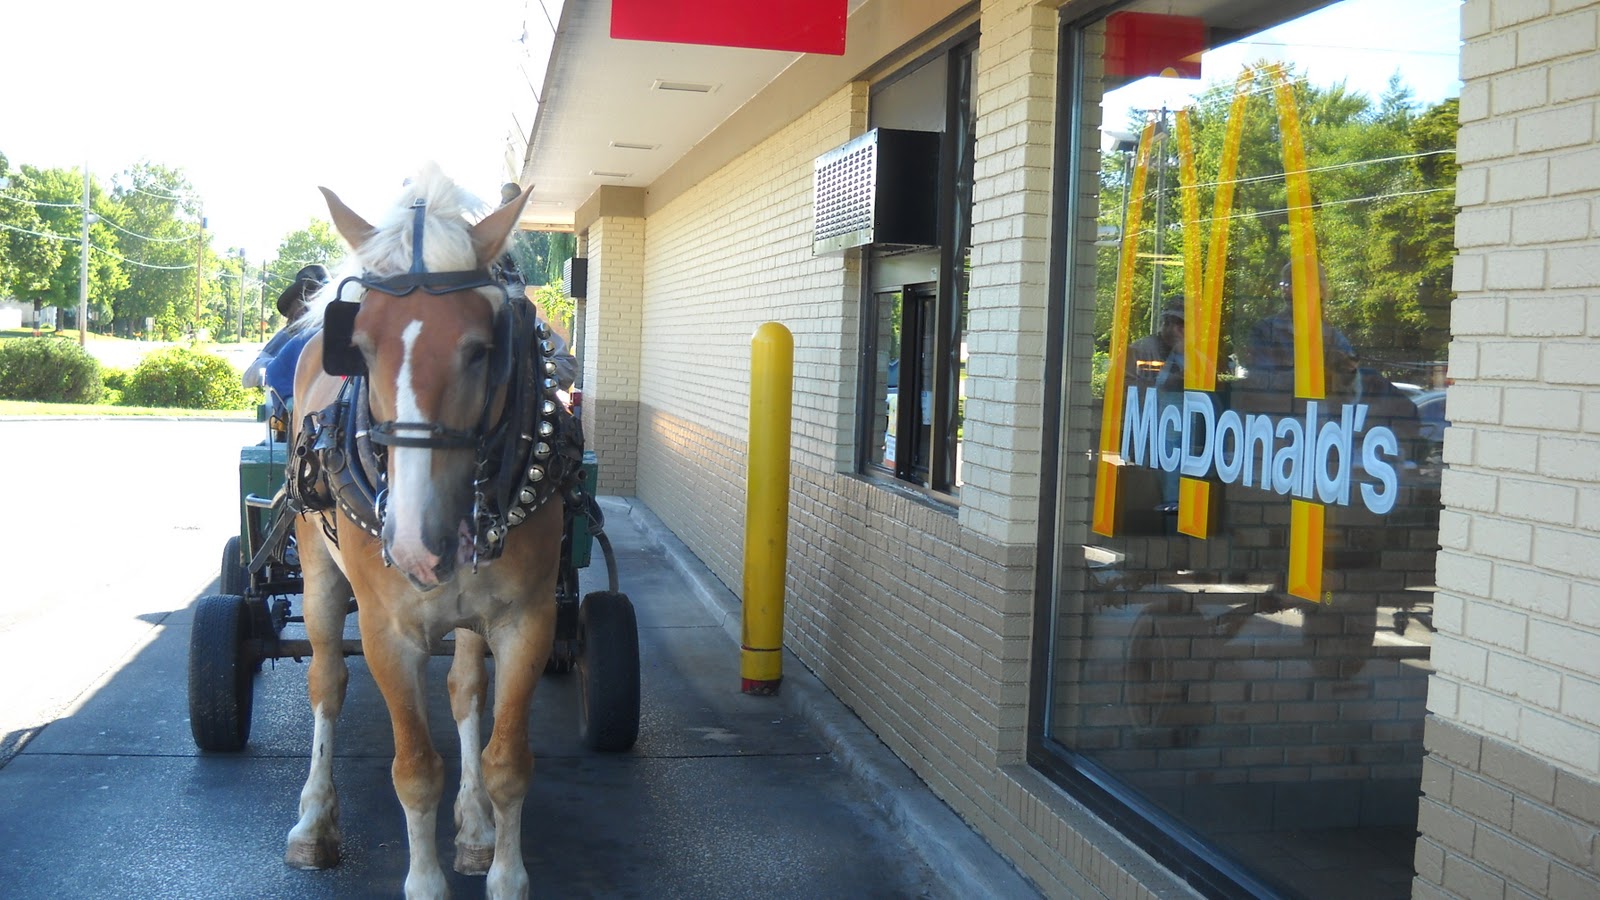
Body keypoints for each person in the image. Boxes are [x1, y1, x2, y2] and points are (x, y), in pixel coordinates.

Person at [244, 264, 329, 393]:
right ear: (298, 304)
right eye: (312, 296)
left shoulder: (339, 329)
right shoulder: (289, 334)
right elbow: (250, 376)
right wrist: (281, 365)